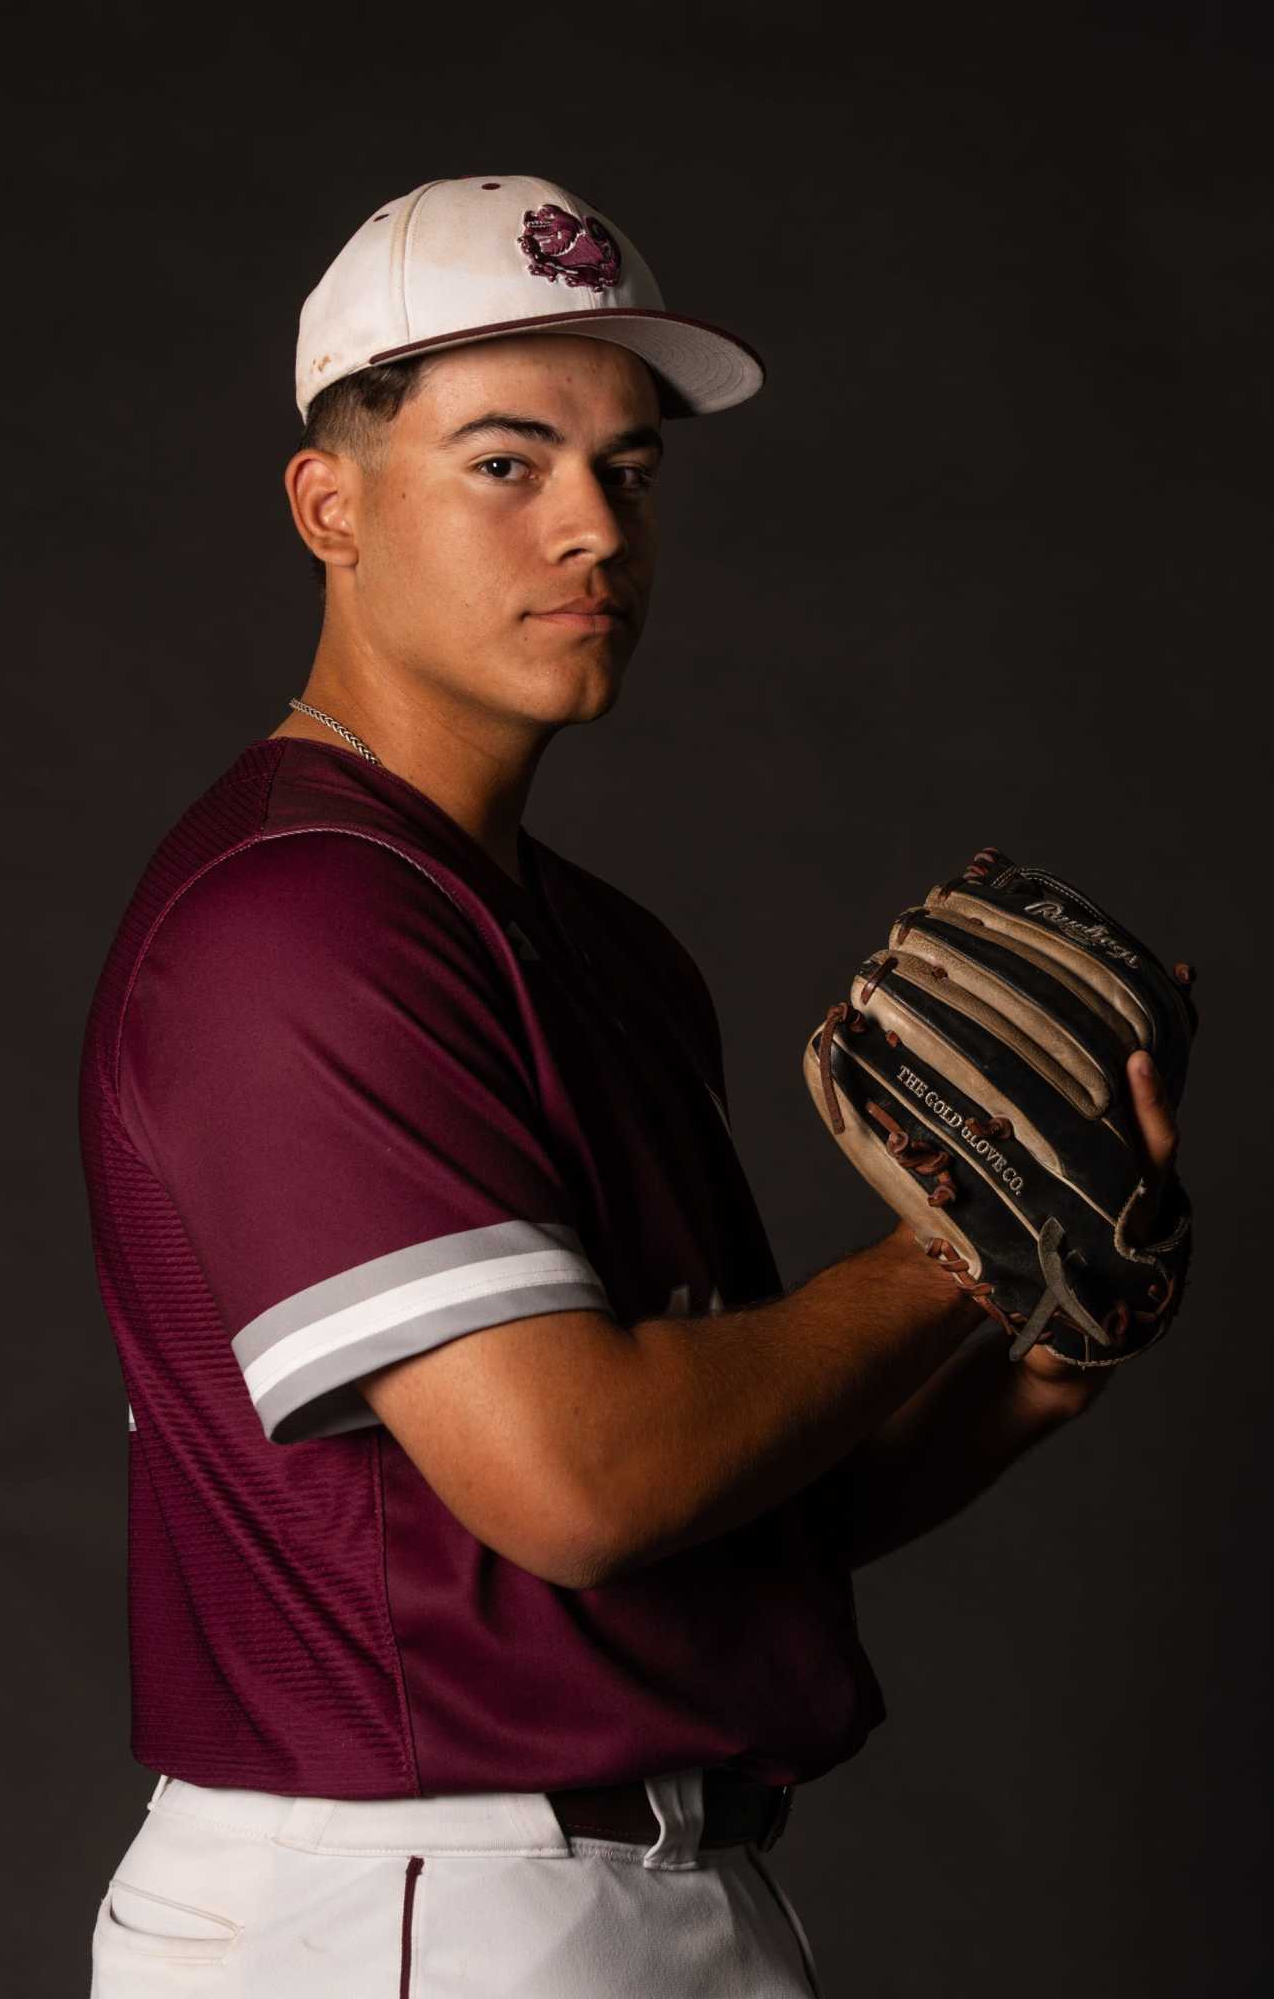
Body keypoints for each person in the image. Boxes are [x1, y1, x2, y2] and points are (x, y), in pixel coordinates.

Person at [79, 173, 1179, 1997]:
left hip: (636, 1890)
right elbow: (578, 1481)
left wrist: (1040, 1361)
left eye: (633, 469)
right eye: (505, 463)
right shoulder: (292, 925)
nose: (592, 525)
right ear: (328, 503)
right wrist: (955, 1253)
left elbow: (724, 1507)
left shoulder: (592, 945)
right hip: (406, 1908)